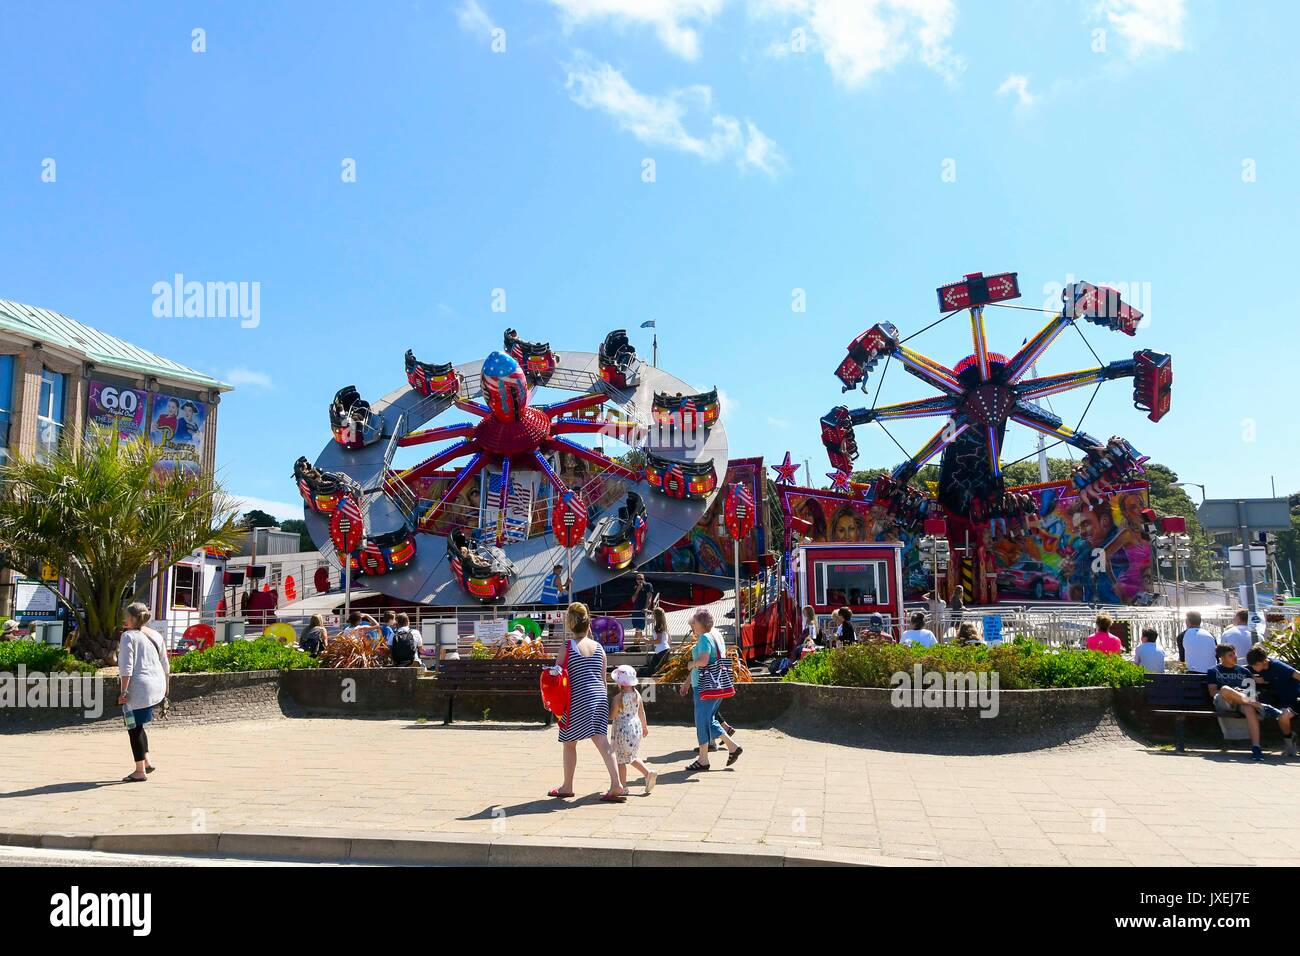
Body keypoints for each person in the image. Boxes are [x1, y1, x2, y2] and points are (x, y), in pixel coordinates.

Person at [548, 602, 624, 802]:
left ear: (570, 625)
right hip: (599, 697)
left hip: (577, 700)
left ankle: (567, 786)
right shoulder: (599, 648)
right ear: (588, 623)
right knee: (602, 742)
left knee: (569, 743)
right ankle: (616, 784)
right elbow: (603, 678)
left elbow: (557, 676)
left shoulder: (567, 647)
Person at [681, 608, 741, 771]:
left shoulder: (704, 638)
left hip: (704, 686)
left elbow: (704, 661)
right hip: (717, 684)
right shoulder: (716, 635)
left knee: (702, 721)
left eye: (694, 622)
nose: (692, 625)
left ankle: (703, 759)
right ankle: (732, 747)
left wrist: (690, 664)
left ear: (700, 623)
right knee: (709, 720)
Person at [116, 602, 170, 783]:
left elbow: (126, 667)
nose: (124, 619)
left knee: (134, 727)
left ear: (131, 618)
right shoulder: (154, 634)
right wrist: (167, 685)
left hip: (139, 688)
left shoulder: (128, 637)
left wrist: (123, 691)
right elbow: (165, 663)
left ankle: (139, 771)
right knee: (139, 724)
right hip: (157, 685)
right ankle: (146, 761)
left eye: (126, 616)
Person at [1206, 644, 1283, 761]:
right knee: (1225, 689)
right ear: (1222, 657)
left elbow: (1252, 693)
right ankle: (1262, 707)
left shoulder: (1244, 671)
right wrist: (1232, 691)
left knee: (1249, 709)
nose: (1235, 657)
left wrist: (1241, 692)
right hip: (1223, 701)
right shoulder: (1214, 671)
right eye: (1230, 655)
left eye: (1234, 654)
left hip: (1243, 702)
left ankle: (1256, 748)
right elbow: (1213, 692)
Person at [609, 665, 656, 795]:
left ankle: (623, 786)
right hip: (635, 729)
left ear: (619, 682)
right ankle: (648, 773)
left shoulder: (618, 698)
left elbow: (612, 716)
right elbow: (641, 712)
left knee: (620, 760)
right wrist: (645, 727)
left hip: (622, 731)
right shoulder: (637, 695)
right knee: (631, 756)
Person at [1245, 646, 1299, 756]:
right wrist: (1254, 678)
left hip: (1295, 700)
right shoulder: (1254, 667)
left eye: (1256, 665)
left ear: (1264, 661)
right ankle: (1289, 739)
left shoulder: (1278, 666)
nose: (1254, 668)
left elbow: (1298, 674)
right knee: (1281, 716)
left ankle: (1290, 741)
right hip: (1280, 702)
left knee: (1283, 716)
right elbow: (1242, 671)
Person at [629, 573, 655, 645]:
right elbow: (633, 600)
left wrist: (646, 608)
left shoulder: (648, 585)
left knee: (638, 629)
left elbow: (649, 598)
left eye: (641, 579)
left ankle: (635, 645)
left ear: (644, 579)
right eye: (638, 579)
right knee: (638, 629)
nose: (640, 580)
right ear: (636, 580)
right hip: (635, 610)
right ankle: (637, 645)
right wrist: (638, 589)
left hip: (642, 610)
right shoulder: (635, 587)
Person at [646, 606, 672, 675]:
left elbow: (658, 641)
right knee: (653, 669)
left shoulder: (658, 626)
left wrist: (648, 641)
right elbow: (670, 639)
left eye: (653, 614)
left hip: (661, 650)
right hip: (663, 649)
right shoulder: (664, 625)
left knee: (664, 670)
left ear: (656, 615)